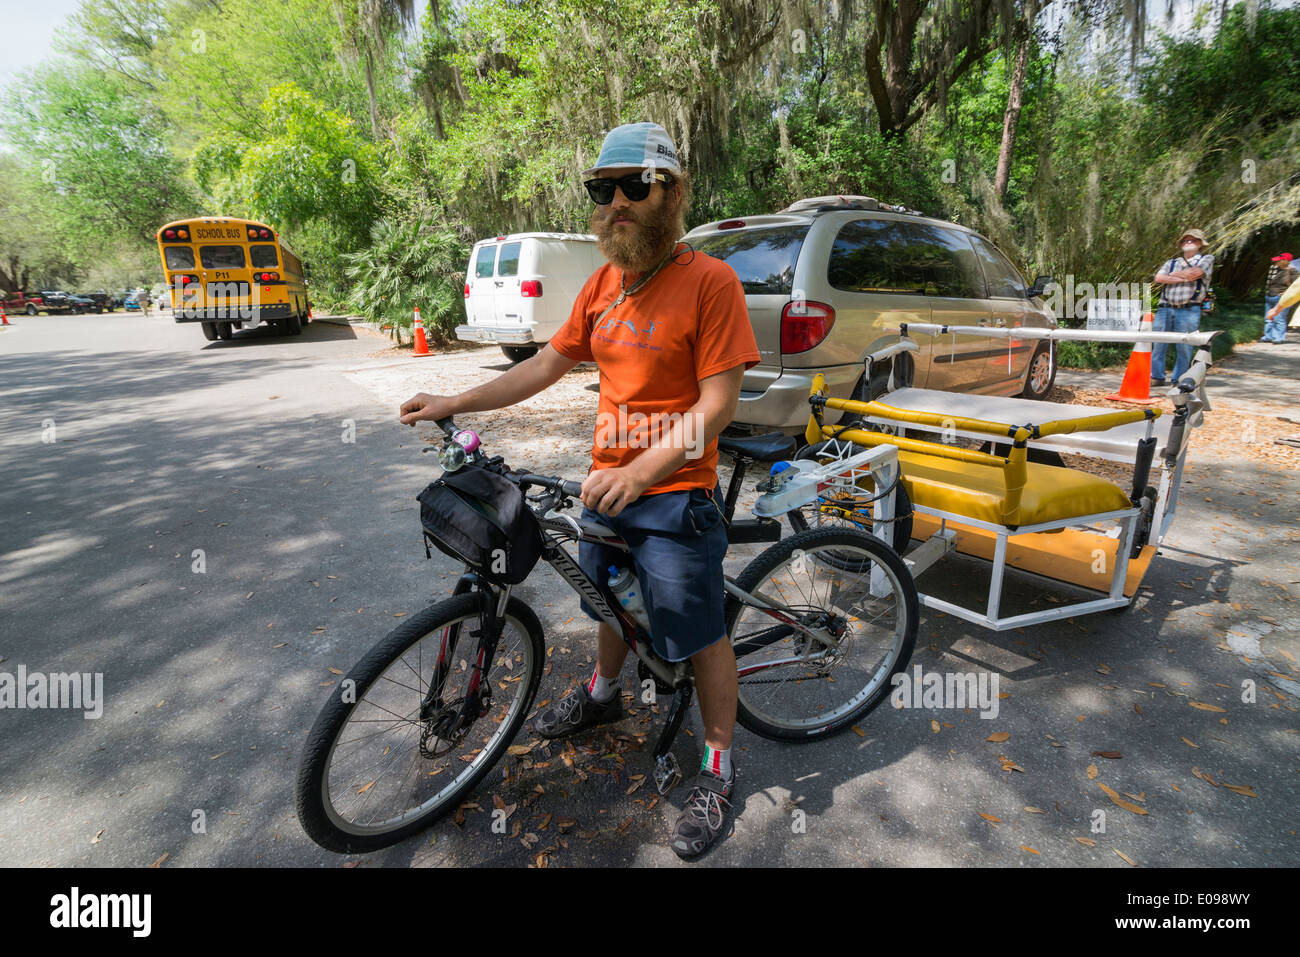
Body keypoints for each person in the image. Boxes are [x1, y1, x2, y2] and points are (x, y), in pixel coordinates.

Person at [398, 122, 760, 859]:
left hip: (673, 489)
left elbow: (717, 404)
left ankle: (718, 765)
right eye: (603, 189)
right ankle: (604, 692)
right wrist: (454, 401)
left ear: (673, 192)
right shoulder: (601, 284)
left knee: (699, 633)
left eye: (635, 185)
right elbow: (541, 367)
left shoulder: (710, 282)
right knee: (604, 593)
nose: (616, 202)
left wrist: (643, 471)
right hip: (606, 488)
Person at [1150, 229, 1214, 385]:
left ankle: (1178, 378)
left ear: (1200, 243)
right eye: (1186, 240)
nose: (1189, 242)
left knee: (1184, 346)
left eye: (1193, 240)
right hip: (1165, 307)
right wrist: (1185, 277)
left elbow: (1196, 273)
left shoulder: (1206, 259)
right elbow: (1158, 278)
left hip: (1189, 308)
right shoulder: (1172, 262)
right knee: (1158, 343)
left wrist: (1172, 276)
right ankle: (1156, 376)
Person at [1262, 252, 1297, 343]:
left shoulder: (1292, 271)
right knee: (1268, 318)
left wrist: (1285, 293)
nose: (1276, 263)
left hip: (1281, 298)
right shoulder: (1275, 269)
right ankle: (1268, 336)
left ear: (1284, 261)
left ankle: (1279, 338)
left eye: (1278, 261)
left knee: (1279, 318)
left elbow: (1296, 286)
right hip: (1270, 296)